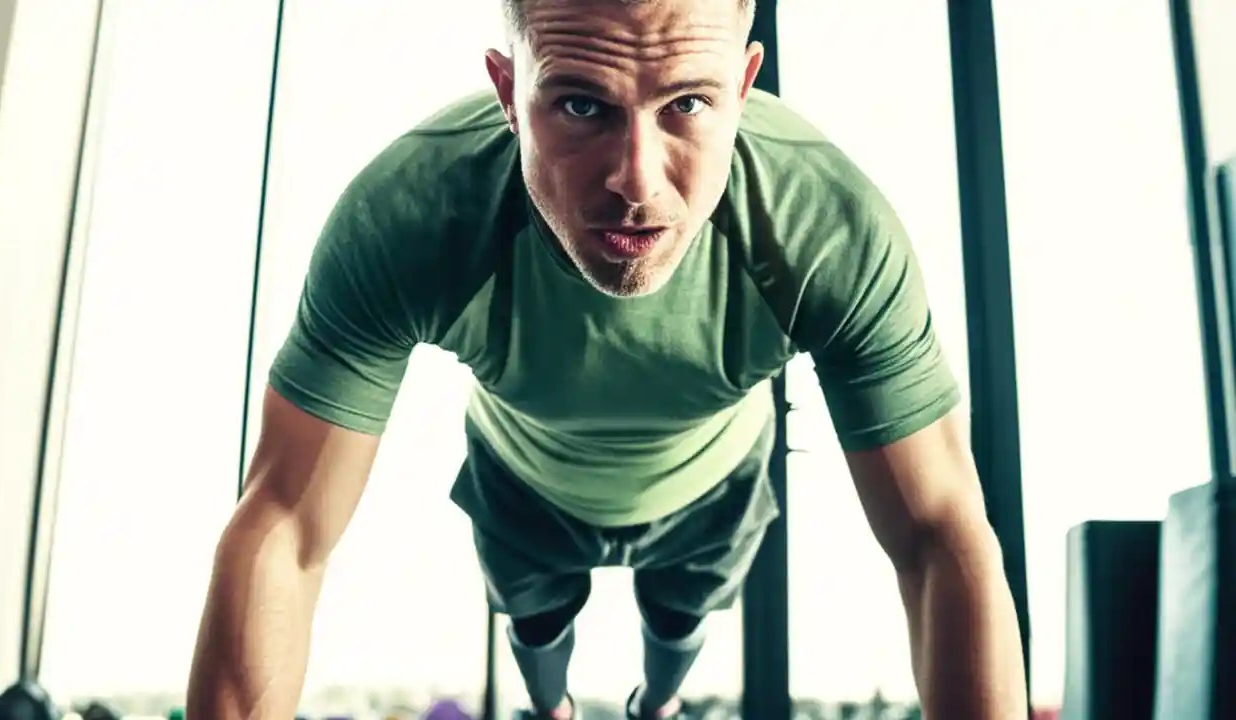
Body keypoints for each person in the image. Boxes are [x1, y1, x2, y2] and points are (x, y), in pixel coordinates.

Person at [186, 0, 1028, 718]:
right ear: (509, 94)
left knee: (675, 636)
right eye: (583, 106)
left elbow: (939, 534)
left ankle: (653, 706)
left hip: (714, 487)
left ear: (743, 86)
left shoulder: (827, 228)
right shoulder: (410, 215)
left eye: (688, 105)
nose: (636, 181)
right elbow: (284, 528)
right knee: (538, 638)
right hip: (521, 485)